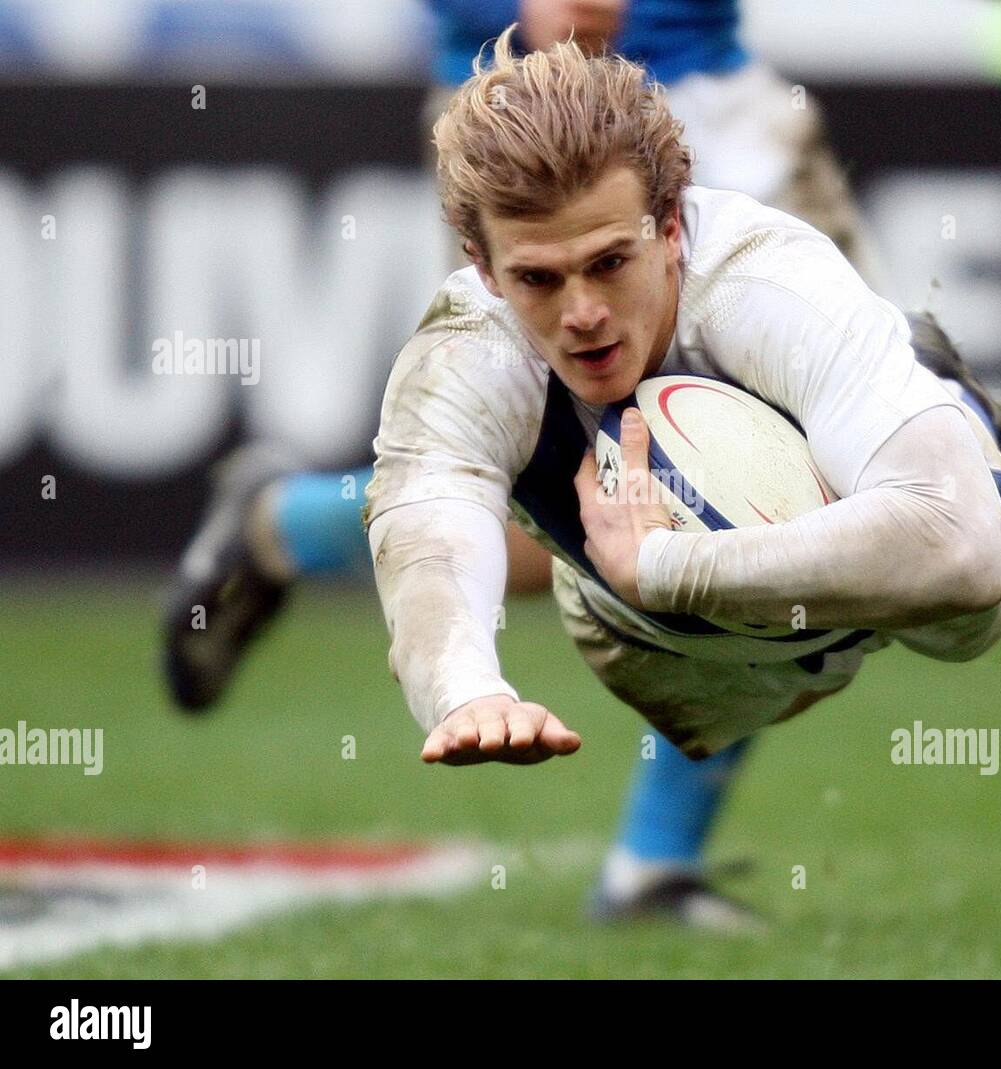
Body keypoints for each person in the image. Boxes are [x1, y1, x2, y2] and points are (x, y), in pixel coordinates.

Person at [165, 0, 881, 932]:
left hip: (718, 96)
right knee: (625, 502)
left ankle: (284, 525)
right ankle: (653, 864)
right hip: (536, 107)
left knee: (765, 493)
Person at [364, 25, 1001, 853]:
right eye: (538, 277)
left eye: (611, 261)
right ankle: (652, 866)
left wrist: (669, 568)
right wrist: (467, 694)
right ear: (485, 269)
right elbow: (425, 531)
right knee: (457, 494)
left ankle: (925, 406)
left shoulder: (767, 280)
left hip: (737, 589)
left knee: (982, 567)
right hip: (654, 644)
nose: (580, 312)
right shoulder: (466, 343)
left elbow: (971, 560)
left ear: (671, 226)